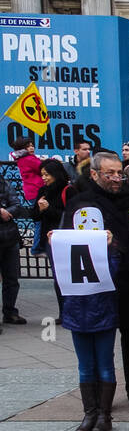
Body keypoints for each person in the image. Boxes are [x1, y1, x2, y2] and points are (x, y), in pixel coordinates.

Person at [62, 151, 129, 403]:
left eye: (119, 173)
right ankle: (100, 396)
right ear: (94, 174)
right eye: (110, 174)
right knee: (100, 345)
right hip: (100, 288)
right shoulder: (82, 203)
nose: (117, 178)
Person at [61, 232, 120, 431]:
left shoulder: (106, 248)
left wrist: (111, 248)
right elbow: (58, 272)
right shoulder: (68, 247)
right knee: (85, 368)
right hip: (78, 316)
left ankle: (104, 416)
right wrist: (53, 246)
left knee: (105, 367)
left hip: (102, 314)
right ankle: (90, 414)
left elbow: (113, 273)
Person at [0, 172, 23, 327]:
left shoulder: (4, 183)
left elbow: (16, 204)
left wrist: (7, 212)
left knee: (11, 278)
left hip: (9, 236)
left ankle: (10, 312)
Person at [9, 135, 42, 200]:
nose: (31, 148)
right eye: (28, 146)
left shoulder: (22, 159)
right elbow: (43, 168)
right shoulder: (29, 159)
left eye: (32, 146)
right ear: (22, 149)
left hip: (31, 191)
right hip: (36, 190)